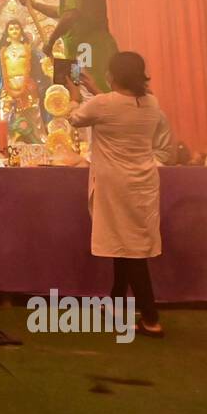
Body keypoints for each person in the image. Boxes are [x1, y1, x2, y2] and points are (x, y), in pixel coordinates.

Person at [68, 51, 173, 338]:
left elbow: (75, 118)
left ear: (113, 75)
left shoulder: (103, 104)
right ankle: (115, 303)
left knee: (132, 250)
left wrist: (74, 93)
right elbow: (119, 107)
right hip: (144, 183)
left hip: (116, 185)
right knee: (126, 243)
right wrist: (97, 91)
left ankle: (151, 318)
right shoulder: (151, 102)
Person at [23, 0, 119, 92]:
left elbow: (70, 15)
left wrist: (50, 42)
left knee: (87, 88)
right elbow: (61, 12)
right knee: (75, 88)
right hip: (80, 48)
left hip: (87, 48)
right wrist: (33, 4)